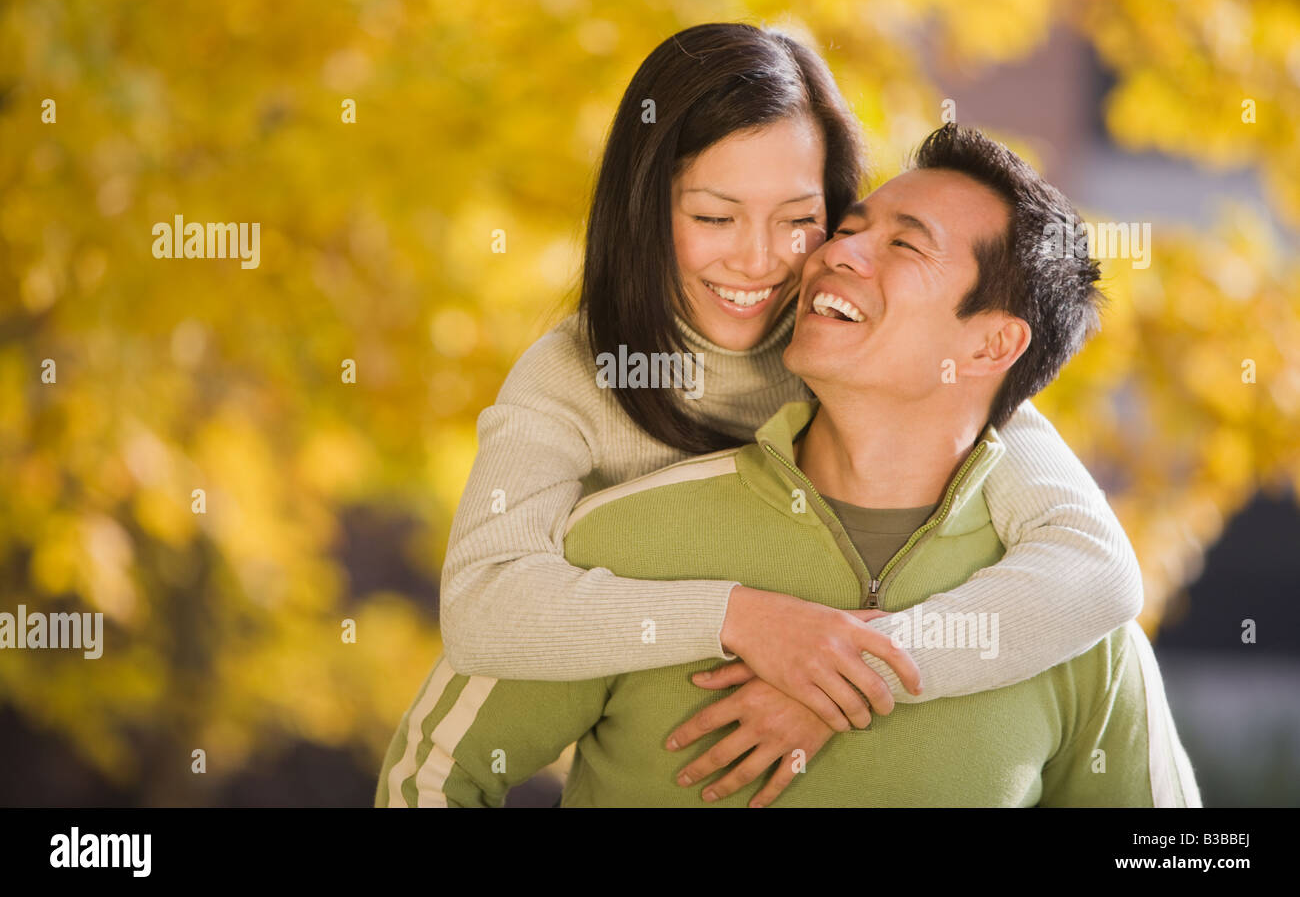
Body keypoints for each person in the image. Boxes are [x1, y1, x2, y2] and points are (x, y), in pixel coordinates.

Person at [378, 125, 1199, 807]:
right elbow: (432, 777)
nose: (832, 254)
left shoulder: (1066, 618)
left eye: (904, 245)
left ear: (991, 344)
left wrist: (852, 679)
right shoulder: (629, 543)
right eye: (848, 228)